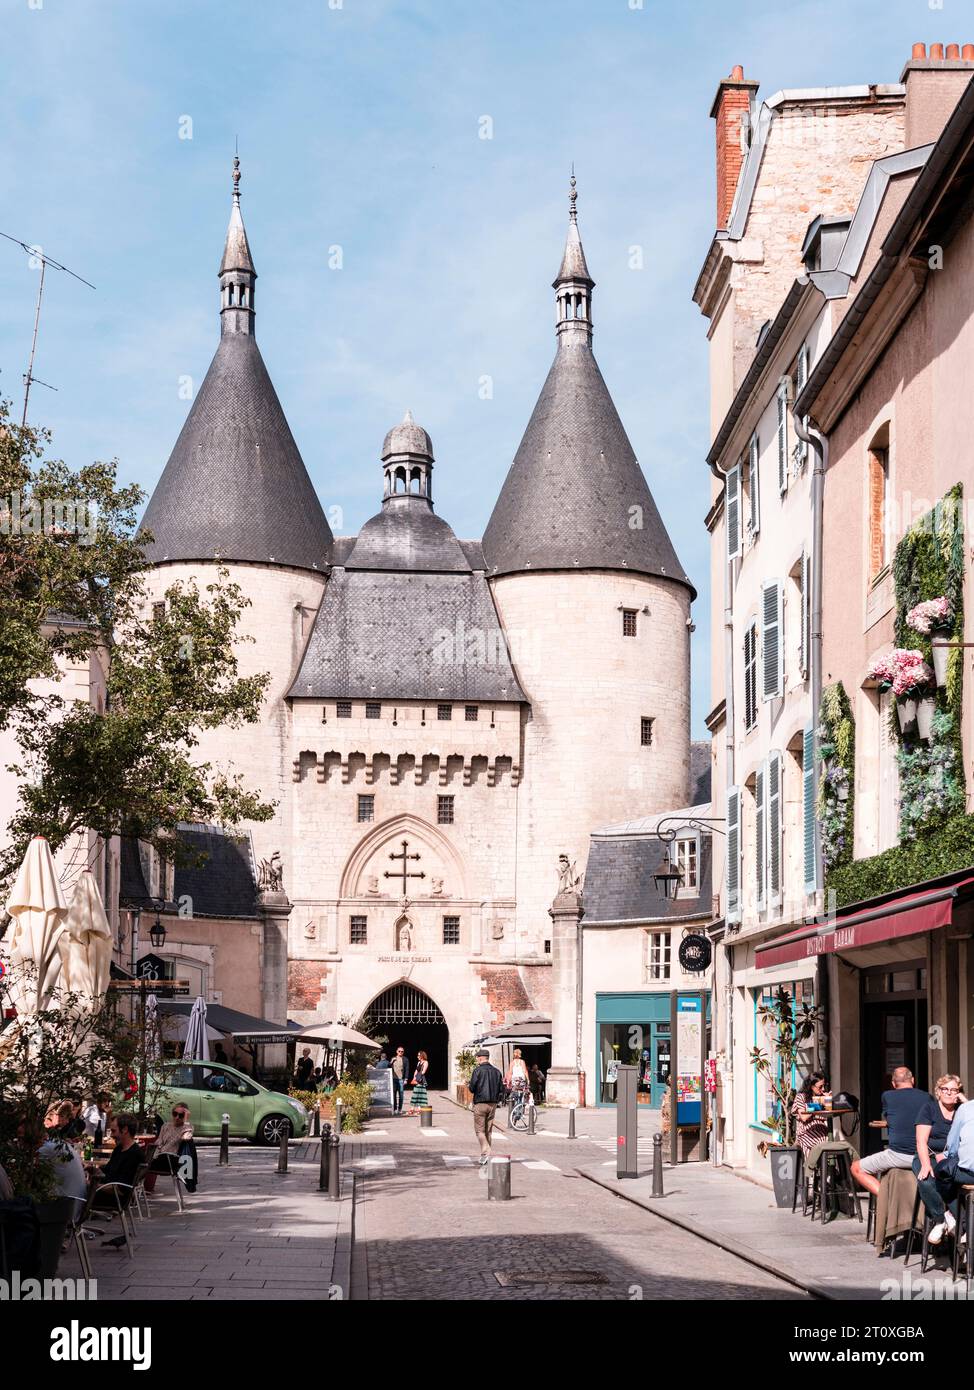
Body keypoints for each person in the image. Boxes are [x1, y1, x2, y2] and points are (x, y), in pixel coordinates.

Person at [851, 1066, 931, 1197]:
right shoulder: (927, 1097)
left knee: (856, 1168)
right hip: (923, 1156)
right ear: (913, 1080)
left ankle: (886, 1198)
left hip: (898, 1155)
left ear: (893, 1084)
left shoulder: (887, 1096)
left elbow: (890, 1118)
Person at [915, 1074, 966, 1244]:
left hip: (953, 1158)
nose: (949, 1093)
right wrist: (925, 1163)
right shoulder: (929, 1108)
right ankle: (941, 1219)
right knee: (927, 1179)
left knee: (952, 1182)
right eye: (945, 1089)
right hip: (927, 1155)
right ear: (938, 1091)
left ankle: (960, 1223)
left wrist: (964, 1101)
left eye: (954, 1090)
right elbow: (921, 1140)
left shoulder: (962, 1110)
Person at [92, 1115, 144, 1208]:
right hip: (107, 1192)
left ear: (124, 1130)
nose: (111, 1135)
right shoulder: (119, 1149)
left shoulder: (134, 1155)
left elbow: (120, 1189)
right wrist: (92, 1169)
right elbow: (106, 1171)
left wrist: (93, 1186)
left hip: (114, 1198)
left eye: (113, 1131)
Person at [144, 1104, 195, 1194]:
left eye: (181, 1115)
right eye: (175, 1114)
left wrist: (186, 1121)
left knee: (137, 1164)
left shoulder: (187, 1127)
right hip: (157, 1158)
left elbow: (187, 1138)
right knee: (134, 1162)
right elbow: (159, 1141)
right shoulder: (165, 1126)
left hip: (170, 1162)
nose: (177, 1117)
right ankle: (135, 1192)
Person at [467, 1047, 504, 1166]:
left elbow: (472, 1088)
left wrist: (469, 1085)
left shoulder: (477, 1071)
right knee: (488, 1130)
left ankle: (486, 1152)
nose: (477, 1059)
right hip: (493, 1103)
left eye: (477, 1057)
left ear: (481, 1058)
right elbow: (501, 1090)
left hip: (480, 1103)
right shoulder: (497, 1071)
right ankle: (486, 1155)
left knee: (479, 1131)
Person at [791, 1072, 831, 1162]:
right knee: (818, 1144)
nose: (823, 1089)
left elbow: (828, 1114)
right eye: (820, 1087)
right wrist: (819, 1103)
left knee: (829, 1144)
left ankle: (827, 1170)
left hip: (822, 1130)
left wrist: (828, 1100)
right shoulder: (801, 1097)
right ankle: (811, 1170)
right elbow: (804, 1117)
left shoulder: (822, 1096)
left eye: (824, 1086)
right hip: (806, 1132)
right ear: (812, 1086)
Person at [391, 1047, 410, 1116]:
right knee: (394, 1094)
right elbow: (388, 1066)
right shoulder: (393, 1058)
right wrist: (391, 1061)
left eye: (402, 1051)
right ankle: (395, 1109)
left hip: (401, 1079)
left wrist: (406, 1079)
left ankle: (400, 1109)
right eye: (399, 1051)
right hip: (393, 1079)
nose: (400, 1052)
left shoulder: (405, 1059)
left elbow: (407, 1069)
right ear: (397, 1051)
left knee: (401, 1095)